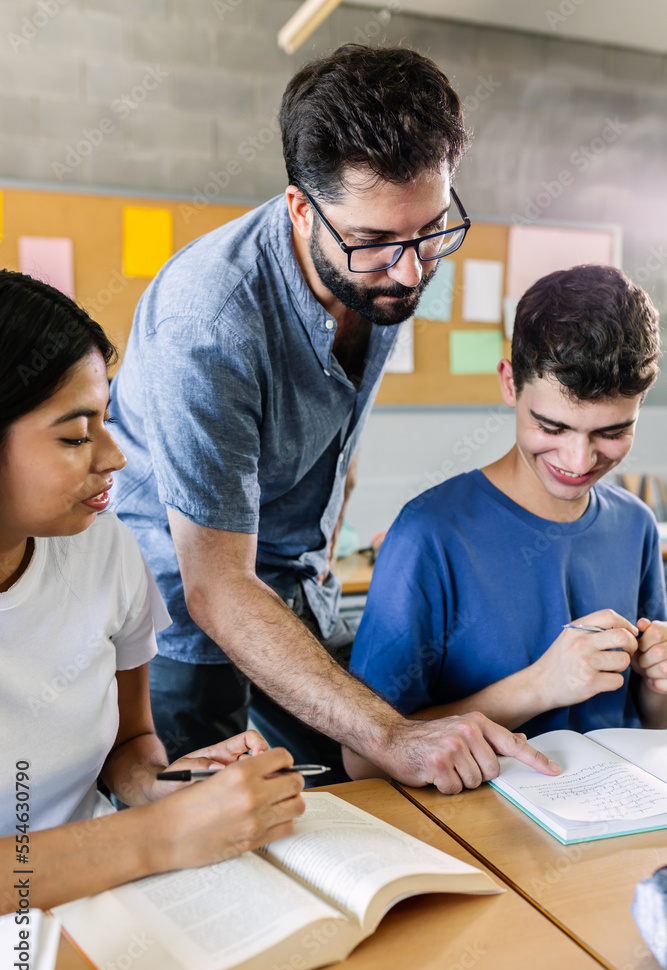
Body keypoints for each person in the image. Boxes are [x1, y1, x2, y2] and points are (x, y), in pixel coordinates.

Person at [107, 43, 559, 792]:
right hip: (181, 618)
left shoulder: (381, 265)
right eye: (377, 242)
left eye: (431, 231)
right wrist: (392, 734)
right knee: (215, 830)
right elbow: (215, 586)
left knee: (353, 789)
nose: (411, 270)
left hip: (288, 582)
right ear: (298, 209)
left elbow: (332, 439)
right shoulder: (209, 321)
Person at [0, 270, 306, 916]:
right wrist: (156, 836)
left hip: (100, 907)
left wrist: (162, 788)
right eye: (76, 435)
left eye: (107, 422)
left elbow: (128, 743)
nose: (114, 457)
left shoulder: (102, 546)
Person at [345, 264, 667, 778]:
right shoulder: (430, 534)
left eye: (611, 432)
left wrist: (657, 688)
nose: (579, 459)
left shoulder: (636, 526)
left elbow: (652, 728)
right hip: (481, 833)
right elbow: (363, 758)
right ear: (510, 383)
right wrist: (540, 686)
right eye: (552, 426)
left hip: (615, 828)